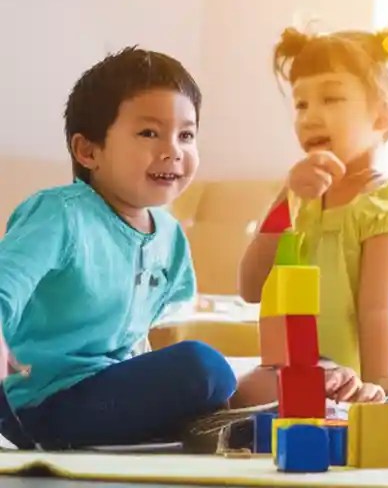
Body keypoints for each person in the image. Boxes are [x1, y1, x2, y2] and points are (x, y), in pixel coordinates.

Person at [0, 48, 235, 449]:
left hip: (105, 391)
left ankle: (234, 416)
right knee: (202, 367)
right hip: (41, 402)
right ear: (88, 151)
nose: (173, 150)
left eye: (186, 135)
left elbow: (141, 340)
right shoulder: (61, 214)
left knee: (243, 374)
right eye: (149, 133)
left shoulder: (168, 234)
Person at [234, 18, 388, 406]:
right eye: (301, 103)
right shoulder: (297, 195)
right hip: (293, 369)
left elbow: (378, 309)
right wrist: (286, 199)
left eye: (331, 99)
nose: (309, 116)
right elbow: (251, 287)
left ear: (382, 116)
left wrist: (380, 392)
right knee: (237, 389)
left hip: (350, 382)